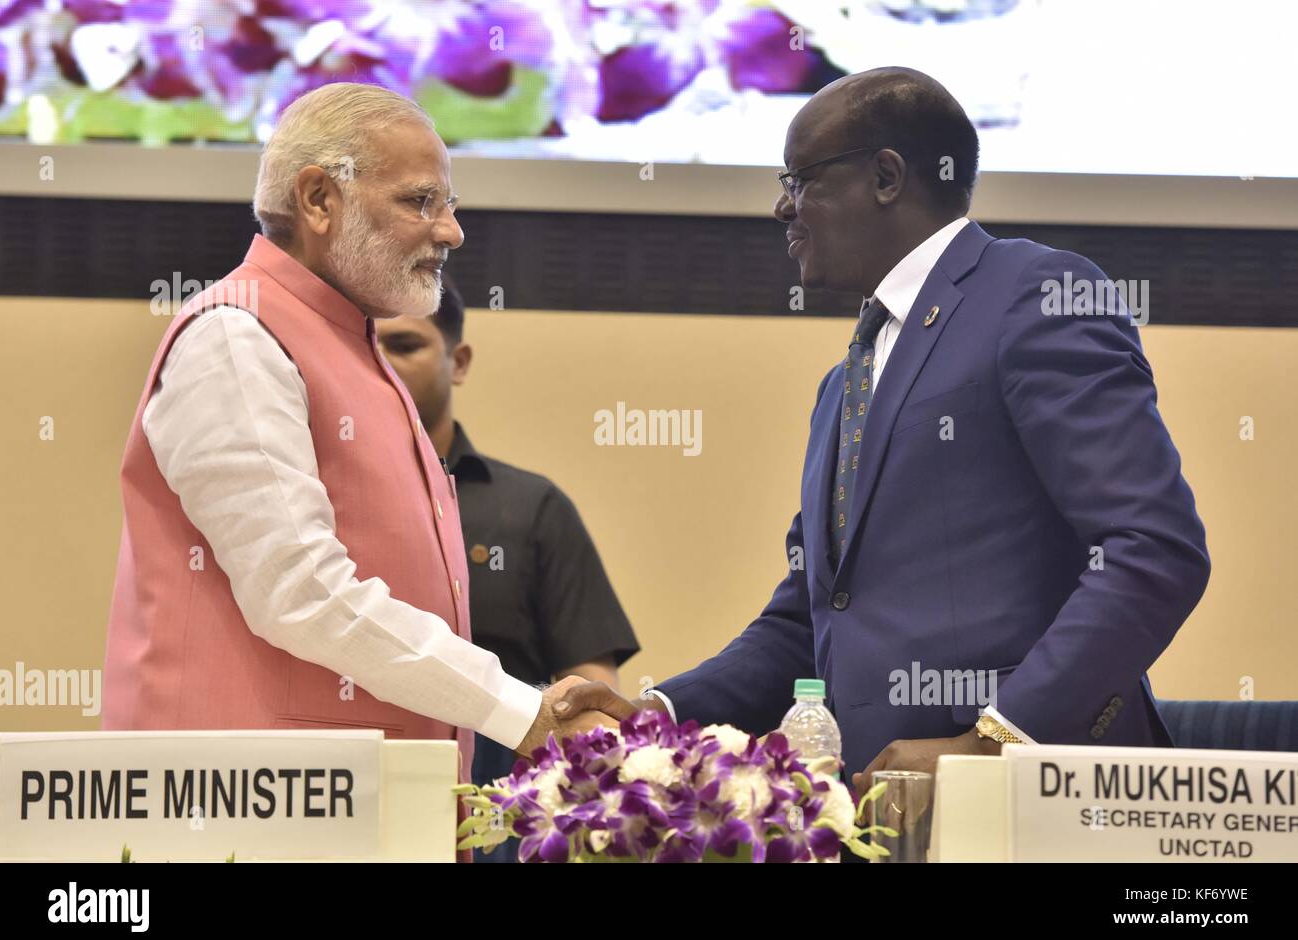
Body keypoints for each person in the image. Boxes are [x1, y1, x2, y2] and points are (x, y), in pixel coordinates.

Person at [555, 67, 1210, 800]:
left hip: (1040, 806)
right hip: (880, 812)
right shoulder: (844, 384)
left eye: (799, 179)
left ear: (887, 177)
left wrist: (992, 744)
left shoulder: (1033, 297)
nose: (781, 207)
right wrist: (656, 715)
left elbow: (1154, 551)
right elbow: (810, 615)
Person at [102, 84, 610, 838]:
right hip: (241, 824)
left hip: (345, 817)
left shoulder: (353, 341)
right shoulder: (236, 337)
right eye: (422, 201)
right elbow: (299, 589)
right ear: (317, 199)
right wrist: (520, 711)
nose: (452, 231)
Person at [376, 279, 640, 861]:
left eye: (403, 345)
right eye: (368, 350)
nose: (384, 368)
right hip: (353, 803)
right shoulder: (319, 507)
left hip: (507, 817)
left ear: (458, 360)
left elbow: (587, 691)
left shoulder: (531, 508)